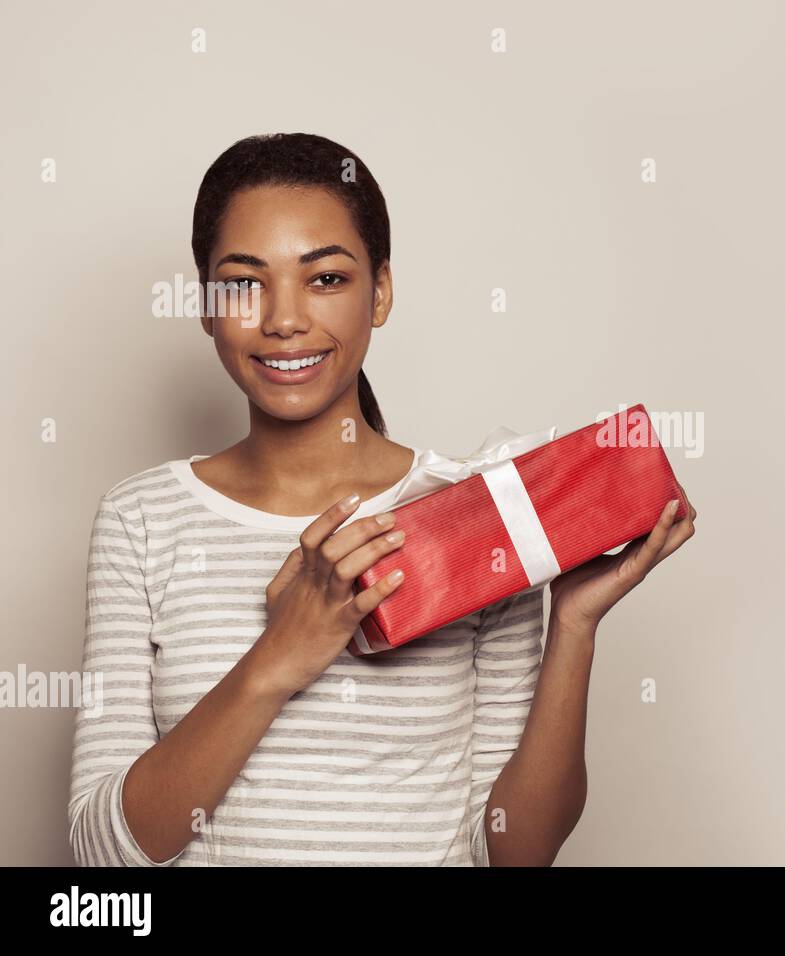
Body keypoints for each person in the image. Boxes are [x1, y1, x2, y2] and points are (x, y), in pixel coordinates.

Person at [68, 133, 696, 866]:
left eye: (326, 278)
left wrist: (575, 626)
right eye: (244, 283)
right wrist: (277, 658)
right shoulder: (141, 520)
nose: (284, 319)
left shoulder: (473, 515)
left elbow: (514, 855)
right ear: (205, 305)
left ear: (383, 291)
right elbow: (101, 855)